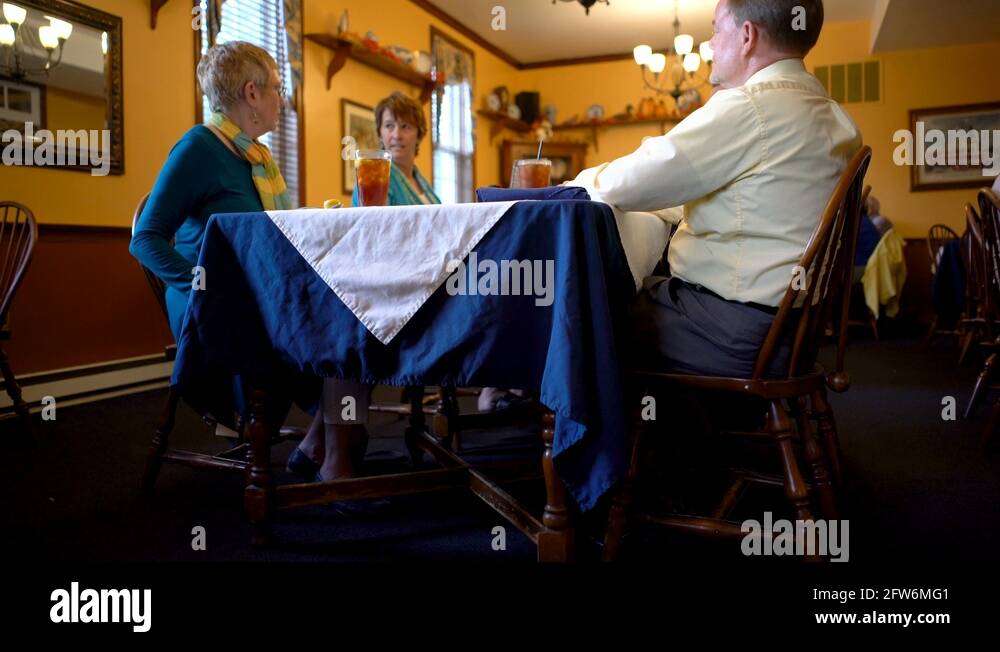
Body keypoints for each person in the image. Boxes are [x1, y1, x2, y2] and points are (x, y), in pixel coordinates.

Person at [569, 0, 862, 378]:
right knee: (631, 291)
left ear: (746, 36)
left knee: (586, 308)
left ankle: (566, 423)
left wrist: (573, 185)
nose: (708, 45)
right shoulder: (833, 115)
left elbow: (633, 179)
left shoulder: (751, 107)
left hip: (734, 332)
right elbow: (750, 195)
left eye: (714, 30)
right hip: (797, 331)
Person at [130, 42, 364, 487]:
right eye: (278, 88)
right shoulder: (199, 147)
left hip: (254, 291)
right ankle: (335, 456)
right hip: (210, 301)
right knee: (337, 324)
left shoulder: (256, 157)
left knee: (355, 313)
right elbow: (146, 239)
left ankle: (322, 442)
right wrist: (202, 286)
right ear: (252, 93)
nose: (283, 98)